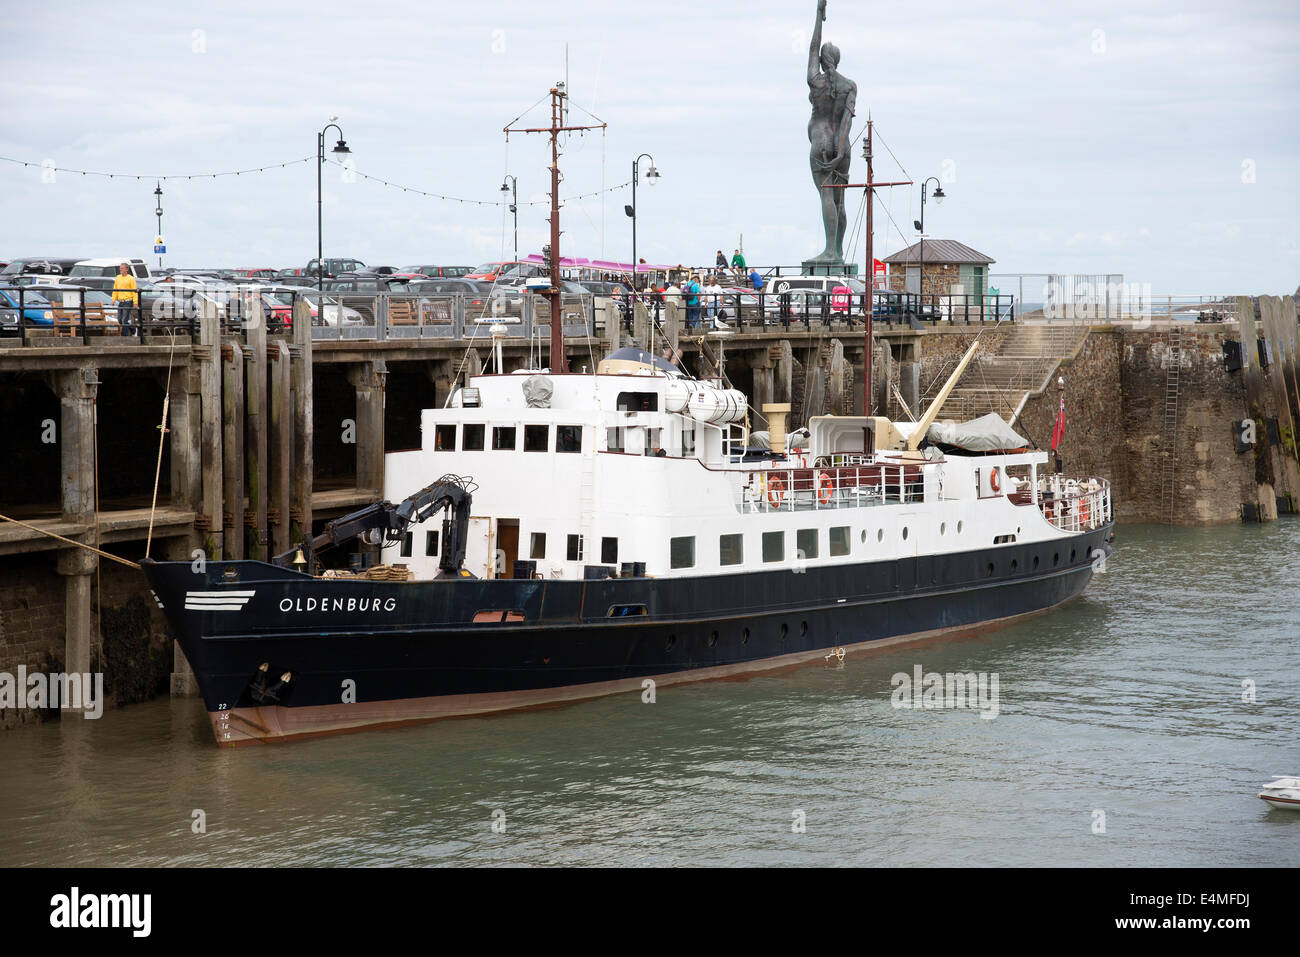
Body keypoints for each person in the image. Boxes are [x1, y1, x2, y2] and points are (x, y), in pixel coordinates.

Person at [112, 262, 138, 333]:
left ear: (127, 269)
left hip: (128, 300)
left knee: (124, 319)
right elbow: (115, 289)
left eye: (122, 268)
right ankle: (133, 329)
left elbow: (134, 291)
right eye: (120, 268)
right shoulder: (118, 278)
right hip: (120, 301)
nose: (121, 270)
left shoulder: (131, 278)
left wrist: (135, 302)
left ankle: (124, 336)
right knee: (119, 320)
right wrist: (113, 299)